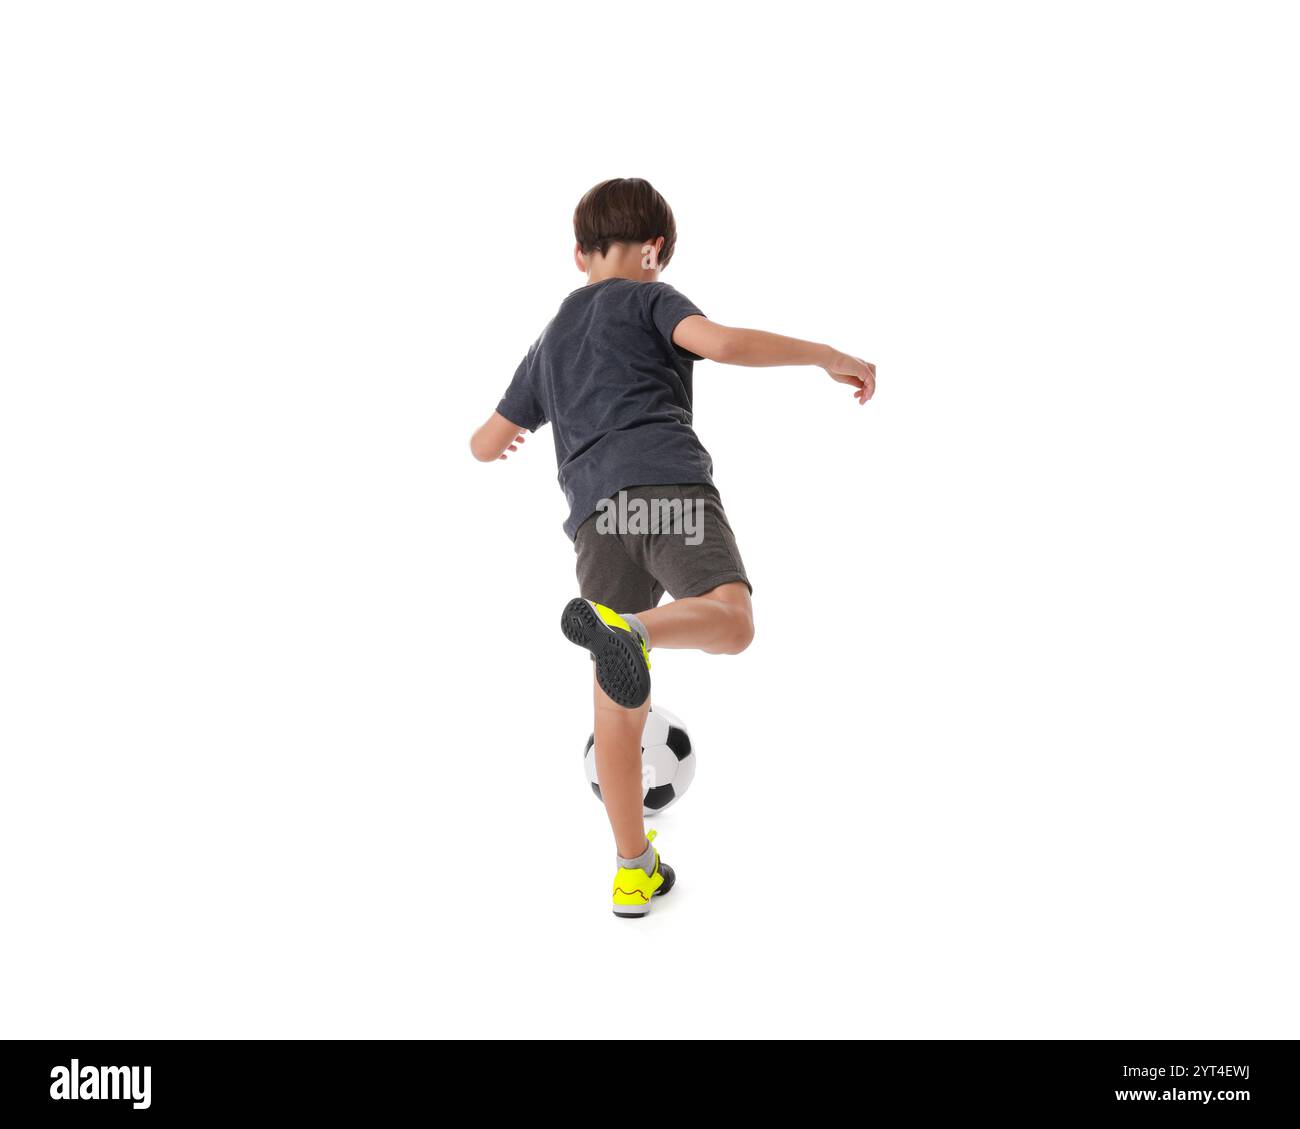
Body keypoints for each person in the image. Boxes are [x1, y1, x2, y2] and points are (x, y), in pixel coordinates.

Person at [470, 178, 875, 917]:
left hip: (595, 524)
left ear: (578, 253)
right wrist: (825, 353)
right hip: (668, 492)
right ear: (654, 250)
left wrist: (517, 433)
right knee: (731, 618)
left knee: (615, 707)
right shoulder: (649, 297)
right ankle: (640, 631)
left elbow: (483, 443)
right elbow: (718, 343)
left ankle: (633, 869)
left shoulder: (550, 340)